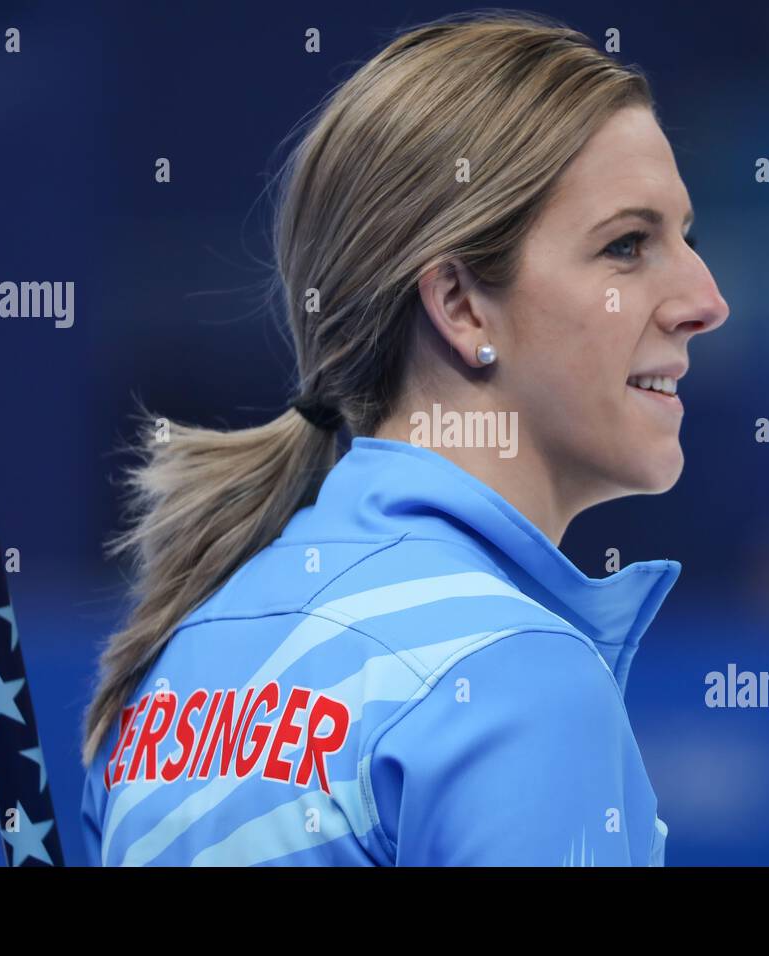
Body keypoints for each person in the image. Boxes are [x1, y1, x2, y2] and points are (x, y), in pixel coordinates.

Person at [80, 10, 728, 866]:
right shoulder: (517, 677)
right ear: (460, 306)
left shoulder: (178, 668)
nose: (706, 299)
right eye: (627, 245)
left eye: (687, 238)